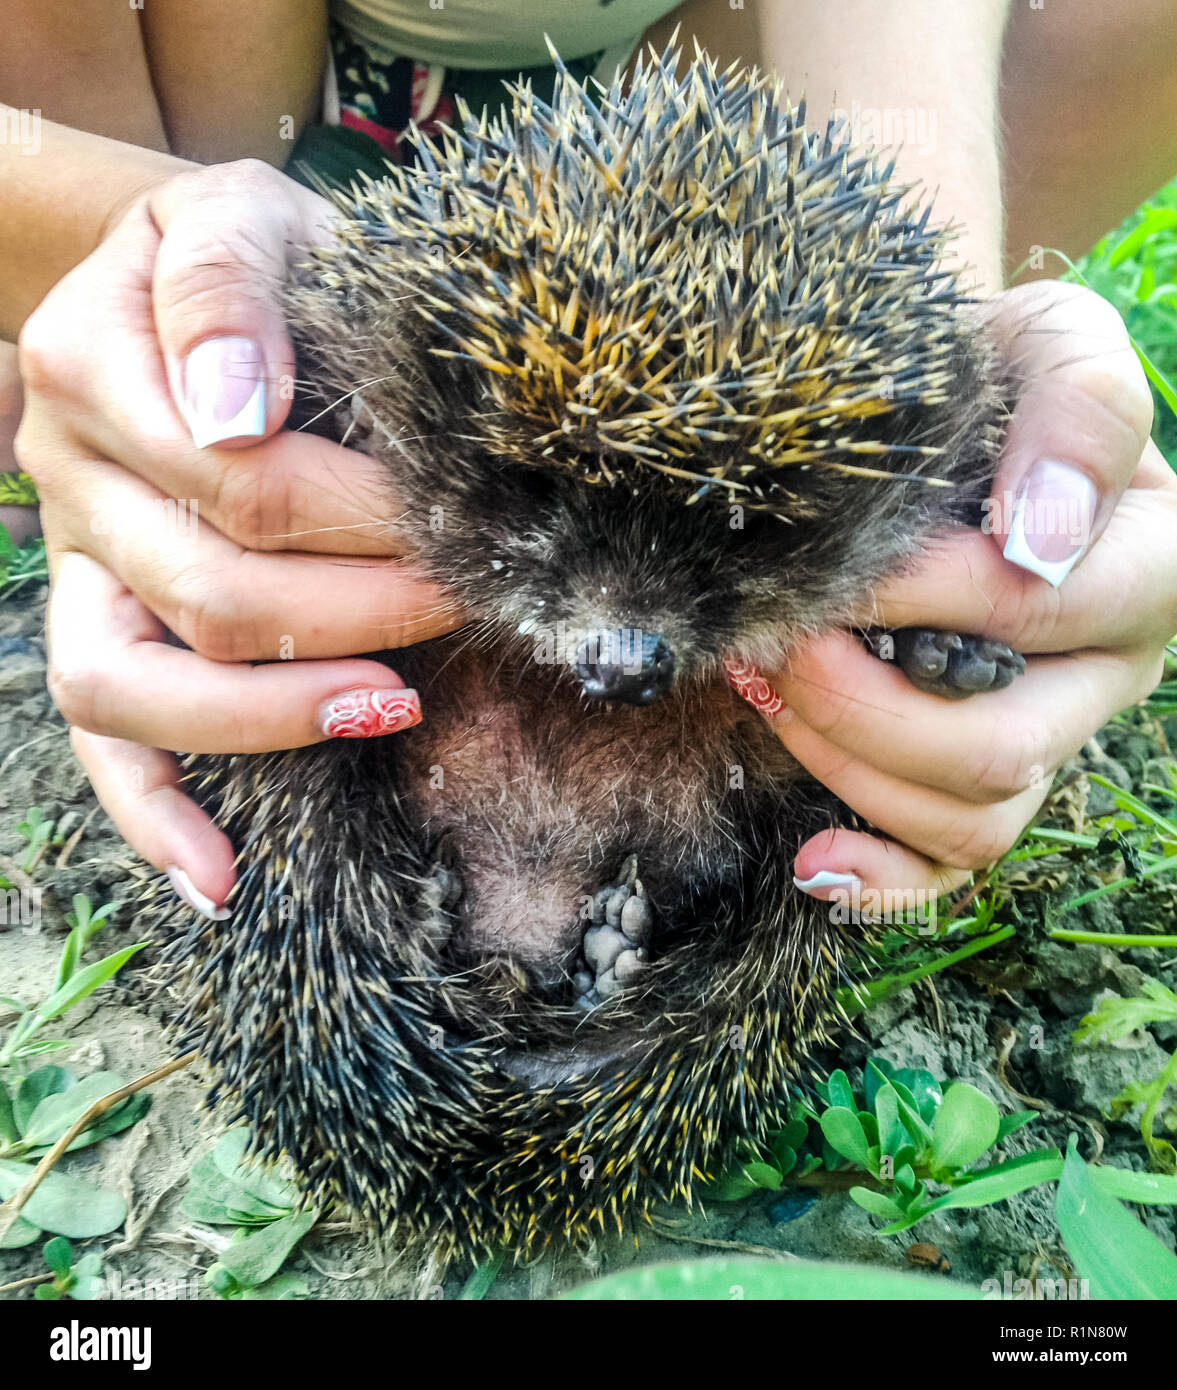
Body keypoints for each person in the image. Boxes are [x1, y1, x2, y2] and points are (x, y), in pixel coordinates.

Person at [2, 0, 1174, 920]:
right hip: (177, 97)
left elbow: (881, 273)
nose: (619, 650)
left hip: (699, 71)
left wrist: (948, 361)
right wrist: (132, 260)